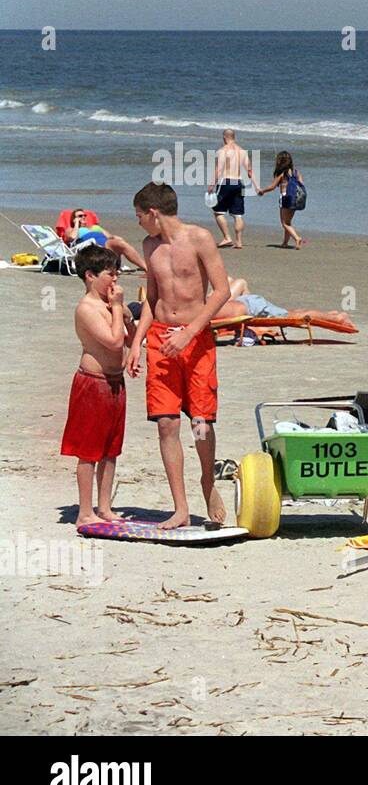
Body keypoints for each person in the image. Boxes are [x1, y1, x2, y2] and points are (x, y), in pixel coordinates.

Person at [126, 182, 231, 529]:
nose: (138, 222)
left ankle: (207, 481)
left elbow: (221, 291)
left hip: (196, 339)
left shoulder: (199, 238)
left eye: (140, 216)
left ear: (153, 213)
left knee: (200, 422)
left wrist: (190, 332)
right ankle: (180, 507)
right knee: (167, 423)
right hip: (160, 340)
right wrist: (137, 343)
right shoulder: (149, 245)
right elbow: (151, 301)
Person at [61, 245, 133, 526]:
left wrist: (126, 316)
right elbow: (113, 341)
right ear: (91, 276)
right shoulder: (87, 308)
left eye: (117, 274)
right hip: (92, 383)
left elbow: (127, 339)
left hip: (115, 382)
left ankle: (104, 507)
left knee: (111, 449)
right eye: (110, 275)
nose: (115, 281)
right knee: (88, 451)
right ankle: (84, 511)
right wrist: (117, 308)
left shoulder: (110, 306)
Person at [215, 277, 352, 325]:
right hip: (246, 303)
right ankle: (329, 314)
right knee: (287, 312)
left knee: (294, 316)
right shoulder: (200, 306)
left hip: (253, 307)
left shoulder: (199, 311)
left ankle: (338, 319)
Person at [207, 128, 258, 250]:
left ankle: (227, 237)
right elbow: (250, 171)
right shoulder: (243, 152)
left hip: (226, 181)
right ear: (234, 137)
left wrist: (211, 184)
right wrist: (257, 186)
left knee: (218, 211)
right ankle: (239, 241)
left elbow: (219, 170)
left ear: (224, 137)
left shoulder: (222, 151)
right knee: (237, 214)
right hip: (239, 182)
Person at [64, 208, 148, 271]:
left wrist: (118, 238)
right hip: (94, 247)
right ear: (73, 219)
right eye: (79, 216)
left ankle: (145, 267)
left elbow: (110, 236)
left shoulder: (95, 227)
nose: (83, 217)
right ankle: (146, 268)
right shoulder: (71, 229)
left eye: (84, 215)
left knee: (121, 242)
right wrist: (76, 224)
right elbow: (72, 237)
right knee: (121, 245)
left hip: (105, 243)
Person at [258, 151, 306, 249]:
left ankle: (297, 238)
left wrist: (262, 191)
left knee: (284, 223)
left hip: (285, 198)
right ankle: (285, 243)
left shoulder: (281, 173)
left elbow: (272, 187)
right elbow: (301, 184)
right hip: (296, 198)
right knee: (288, 222)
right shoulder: (297, 172)